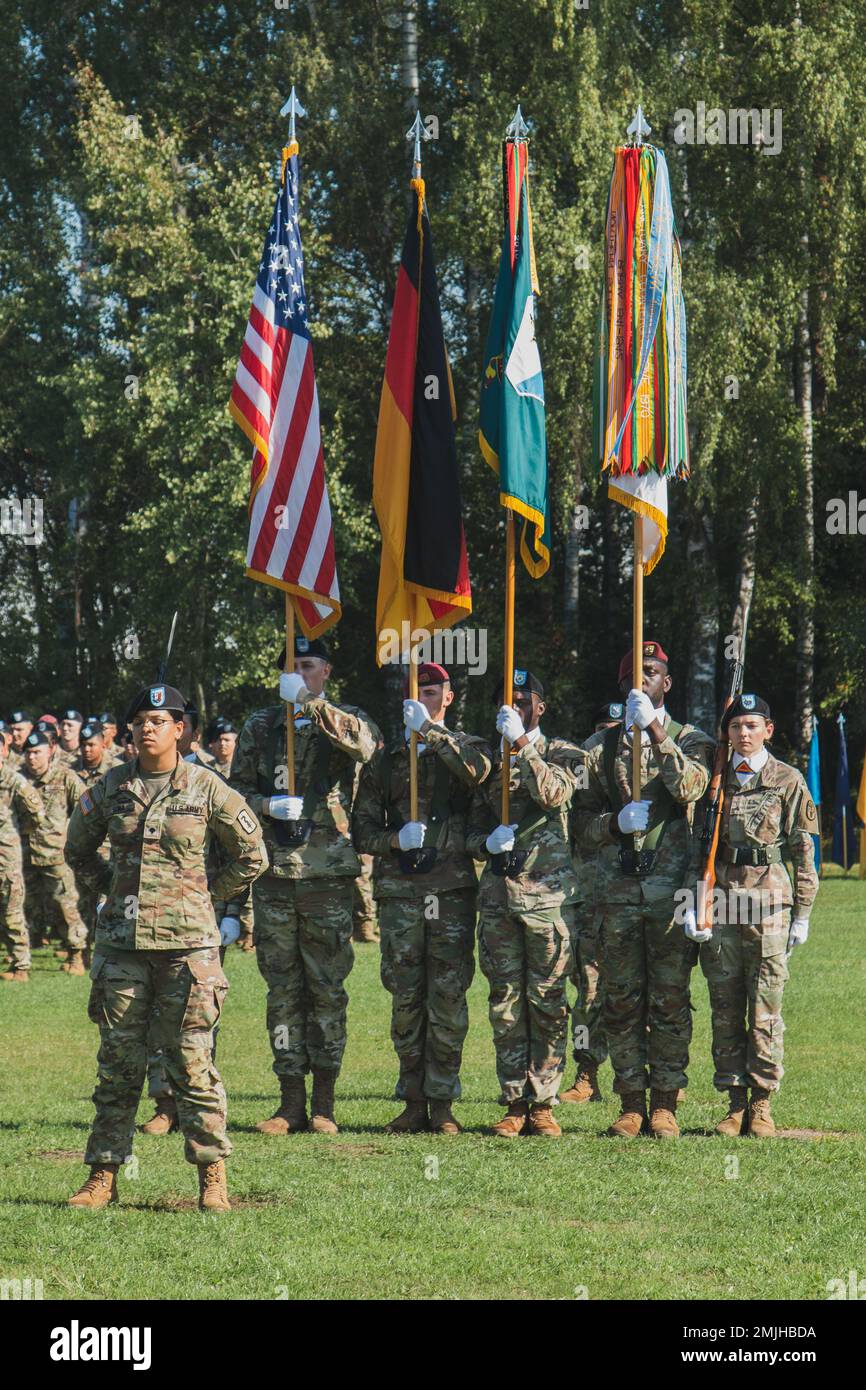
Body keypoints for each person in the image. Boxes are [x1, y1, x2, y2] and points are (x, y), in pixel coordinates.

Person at [65, 682, 267, 1212]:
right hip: (124, 950)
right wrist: (112, 890)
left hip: (188, 953)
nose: (147, 728)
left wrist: (206, 898)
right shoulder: (111, 787)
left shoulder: (208, 788)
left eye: (159, 720)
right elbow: (77, 848)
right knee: (117, 1065)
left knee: (192, 1064)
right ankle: (102, 1176)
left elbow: (252, 855)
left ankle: (212, 1176)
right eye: (139, 721)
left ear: (182, 730)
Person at [231, 635, 380, 1135]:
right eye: (292, 667)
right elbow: (234, 796)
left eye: (309, 665)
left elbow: (365, 744)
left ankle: (325, 1103)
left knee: (326, 990)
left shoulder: (342, 716)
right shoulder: (260, 726)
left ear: (326, 673)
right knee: (282, 992)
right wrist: (266, 806)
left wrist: (311, 705)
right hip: (272, 874)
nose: (300, 672)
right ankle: (288, 1100)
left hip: (325, 876)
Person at [573, 641, 715, 1139]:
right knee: (621, 1000)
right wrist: (612, 823)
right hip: (617, 895)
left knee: (671, 1000)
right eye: (634, 674)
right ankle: (631, 1101)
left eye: (652, 672)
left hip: (672, 894)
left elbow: (692, 787)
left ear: (666, 683)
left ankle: (666, 1103)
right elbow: (578, 824)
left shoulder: (691, 739)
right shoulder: (601, 748)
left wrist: (655, 729)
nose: (644, 679)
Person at [353, 663, 491, 1133]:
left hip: (449, 891)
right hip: (400, 894)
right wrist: (395, 840)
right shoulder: (387, 759)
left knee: (448, 998)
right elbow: (361, 830)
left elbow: (477, 775)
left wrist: (431, 734)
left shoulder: (467, 747)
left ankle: (444, 1101)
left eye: (431, 693)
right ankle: (412, 1099)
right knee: (406, 998)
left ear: (447, 698)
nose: (422, 700)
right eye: (415, 694)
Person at [687, 694, 819, 1139]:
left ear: (769, 730)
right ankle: (734, 1102)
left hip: (768, 903)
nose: (743, 733)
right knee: (725, 1007)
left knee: (764, 1007)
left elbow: (804, 852)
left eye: (752, 725)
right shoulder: (714, 782)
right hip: (723, 900)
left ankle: (761, 1103)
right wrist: (696, 902)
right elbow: (700, 847)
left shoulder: (787, 779)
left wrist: (803, 912)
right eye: (735, 726)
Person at [467, 670, 581, 1138]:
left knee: (549, 1001)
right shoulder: (486, 762)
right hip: (498, 900)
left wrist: (522, 745)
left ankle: (544, 1102)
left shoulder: (563, 753)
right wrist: (484, 843)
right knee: (506, 1003)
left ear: (541, 707)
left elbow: (554, 793)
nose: (514, 707)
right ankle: (515, 1100)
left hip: (548, 901)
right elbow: (469, 829)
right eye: (505, 701)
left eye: (523, 700)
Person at [561, 701, 624, 1105]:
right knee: (588, 992)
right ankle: (586, 1074)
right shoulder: (584, 777)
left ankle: (656, 1075)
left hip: (639, 900)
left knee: (648, 990)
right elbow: (577, 829)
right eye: (603, 730)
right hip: (590, 901)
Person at [20, 730, 89, 973]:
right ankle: (21, 960)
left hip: (56, 856)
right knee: (24, 907)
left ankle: (76, 955)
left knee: (66, 906)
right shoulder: (18, 779)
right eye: (28, 753)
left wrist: (74, 839)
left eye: (37, 752)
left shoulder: (65, 777)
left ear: (50, 751)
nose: (32, 758)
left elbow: (87, 808)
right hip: (24, 857)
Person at [0, 734, 45, 983]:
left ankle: (21, 966)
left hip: (5, 857)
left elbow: (36, 814)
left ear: (4, 751)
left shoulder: (14, 780)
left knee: (11, 910)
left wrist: (16, 833)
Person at [72, 722, 116, 961]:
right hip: (83, 848)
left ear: (103, 744)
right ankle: (83, 950)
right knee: (81, 901)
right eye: (83, 745)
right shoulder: (71, 770)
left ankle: (106, 950)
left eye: (91, 745)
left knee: (104, 902)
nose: (86, 750)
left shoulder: (117, 772)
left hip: (110, 847)